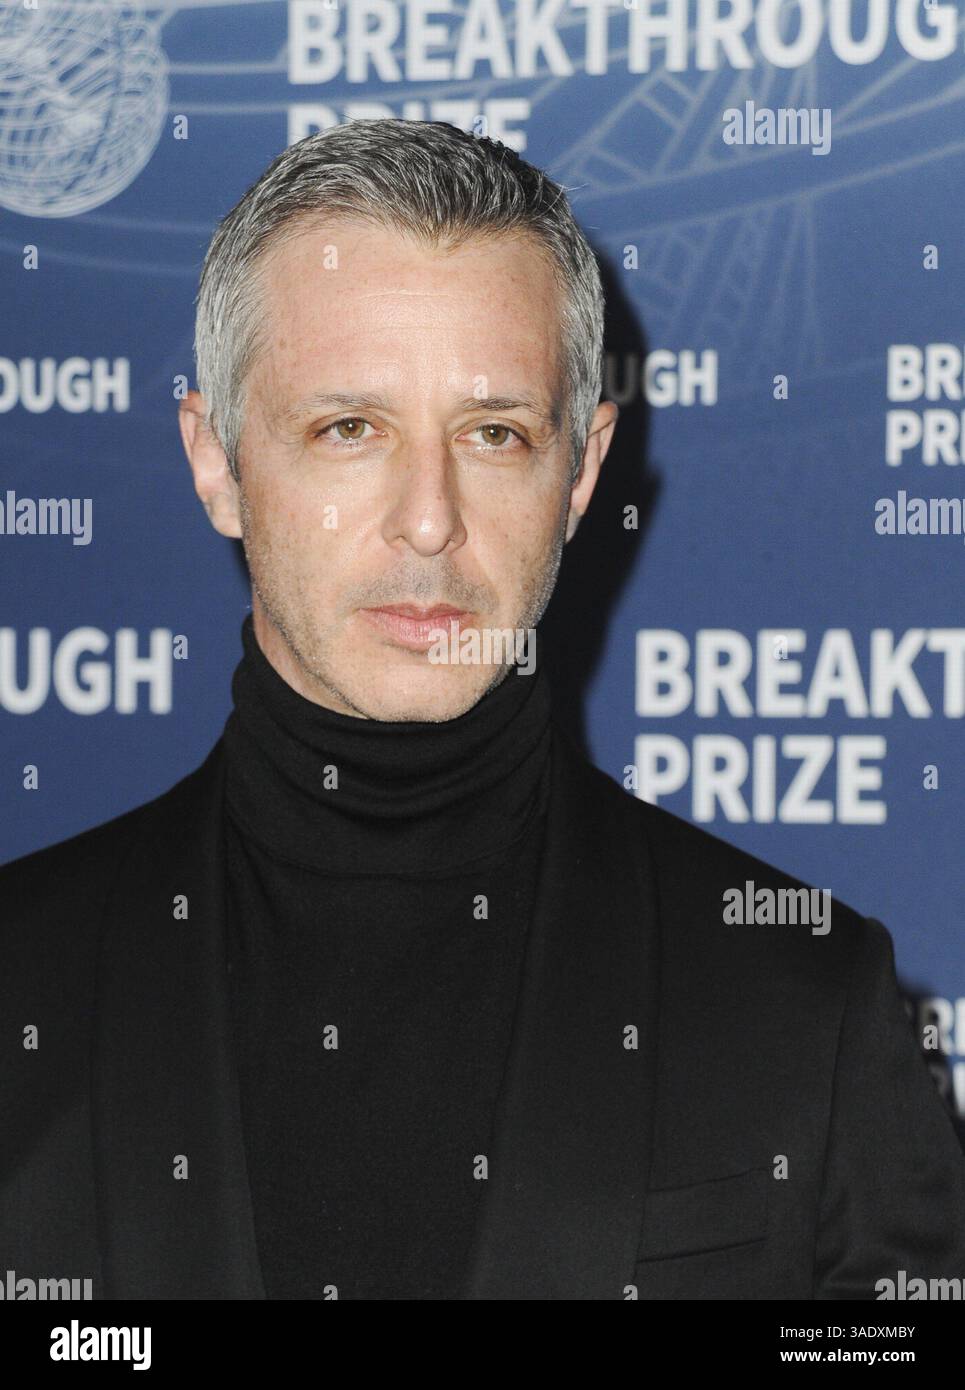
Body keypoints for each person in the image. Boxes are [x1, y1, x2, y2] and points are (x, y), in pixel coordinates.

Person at [2, 119, 963, 1301]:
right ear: (217, 461)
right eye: (348, 429)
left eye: (493, 433)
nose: (425, 518)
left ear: (581, 471)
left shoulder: (802, 999)